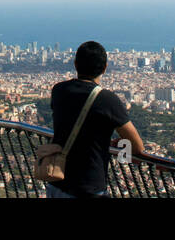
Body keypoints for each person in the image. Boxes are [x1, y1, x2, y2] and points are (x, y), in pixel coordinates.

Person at [46, 41, 144, 198]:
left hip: (56, 180)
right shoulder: (107, 100)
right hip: (89, 186)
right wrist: (119, 144)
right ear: (105, 68)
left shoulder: (59, 90)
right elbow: (137, 146)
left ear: (75, 64)